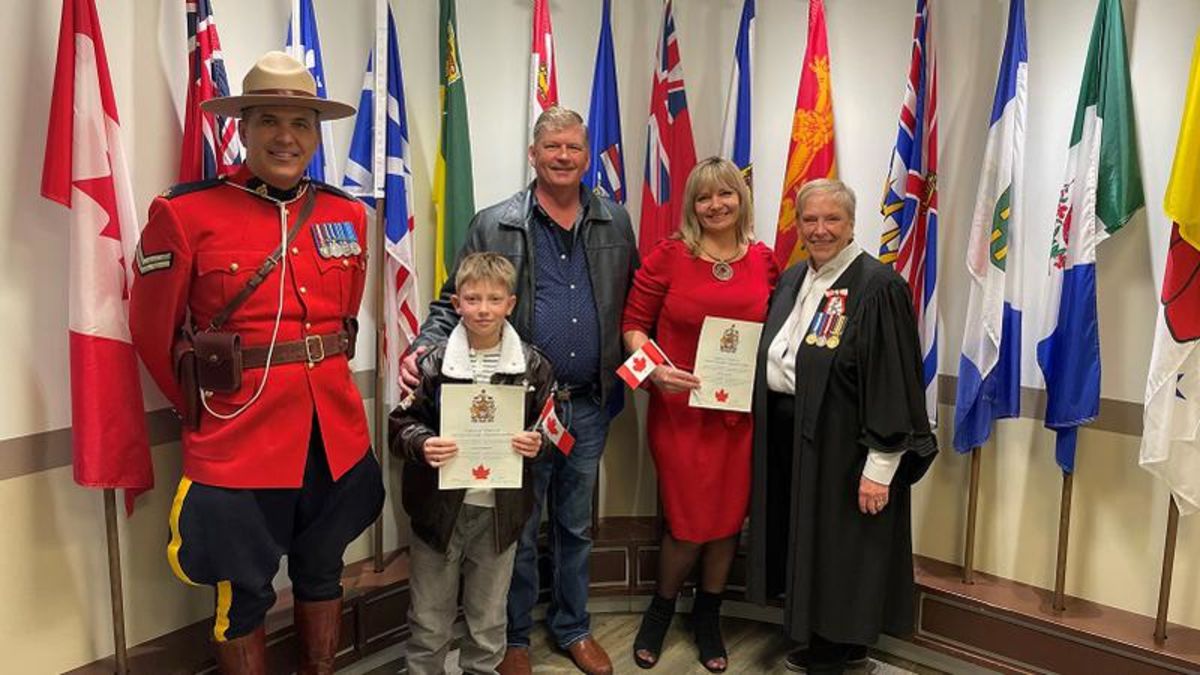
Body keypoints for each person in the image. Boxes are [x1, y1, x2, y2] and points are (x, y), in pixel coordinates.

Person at [129, 52, 384, 674]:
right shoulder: (186, 214)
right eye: (268, 120)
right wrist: (209, 405)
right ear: (241, 128)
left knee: (324, 568)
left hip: (332, 434)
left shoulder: (345, 213)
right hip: (238, 434)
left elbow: (341, 322)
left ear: (316, 134)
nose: (285, 137)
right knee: (241, 591)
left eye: (300, 123)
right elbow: (151, 333)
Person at [400, 107, 637, 675]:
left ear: (586, 156)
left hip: (585, 404)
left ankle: (573, 627)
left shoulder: (616, 221)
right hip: (515, 409)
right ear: (533, 154)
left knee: (577, 525)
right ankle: (512, 639)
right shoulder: (496, 222)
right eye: (552, 146)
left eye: (574, 149)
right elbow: (451, 300)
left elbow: (636, 303)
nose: (563, 157)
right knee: (517, 529)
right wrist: (420, 351)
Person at [746, 179, 937, 674]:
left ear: (852, 223)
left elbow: (892, 382)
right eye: (810, 219)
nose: (820, 229)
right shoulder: (793, 280)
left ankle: (839, 649)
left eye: (832, 219)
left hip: (846, 443)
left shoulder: (877, 288)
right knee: (813, 540)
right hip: (795, 435)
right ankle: (828, 640)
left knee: (844, 545)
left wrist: (882, 466)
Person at [621, 157, 778, 672]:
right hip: (680, 412)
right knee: (688, 524)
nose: (716, 205)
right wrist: (655, 372)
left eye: (725, 194)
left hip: (738, 416)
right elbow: (633, 326)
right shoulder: (670, 256)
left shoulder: (764, 260)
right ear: (692, 205)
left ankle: (707, 615)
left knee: (729, 521)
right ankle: (661, 611)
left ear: (740, 198)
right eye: (705, 197)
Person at [389, 252, 555, 675]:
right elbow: (399, 424)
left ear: (510, 304)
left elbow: (554, 429)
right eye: (473, 298)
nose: (484, 309)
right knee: (428, 620)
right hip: (438, 511)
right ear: (457, 303)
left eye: (494, 299)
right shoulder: (430, 363)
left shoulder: (534, 367)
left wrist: (538, 442)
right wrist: (422, 443)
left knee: (488, 622)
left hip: (500, 515)